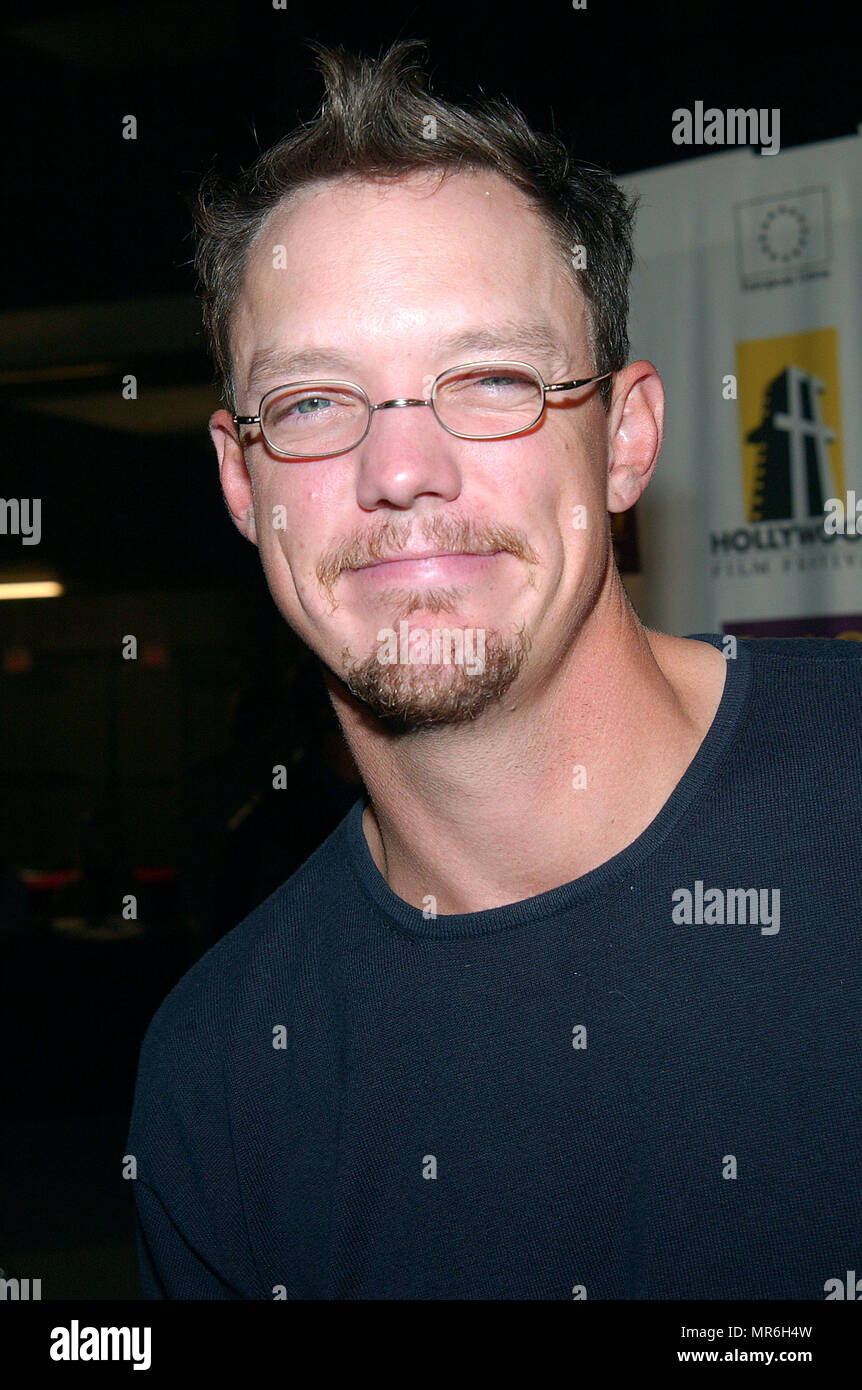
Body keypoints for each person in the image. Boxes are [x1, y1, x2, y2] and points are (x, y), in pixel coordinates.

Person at [126, 39, 862, 1299]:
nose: (401, 470)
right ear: (241, 481)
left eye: (491, 381)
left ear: (624, 440)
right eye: (310, 401)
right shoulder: (222, 1076)